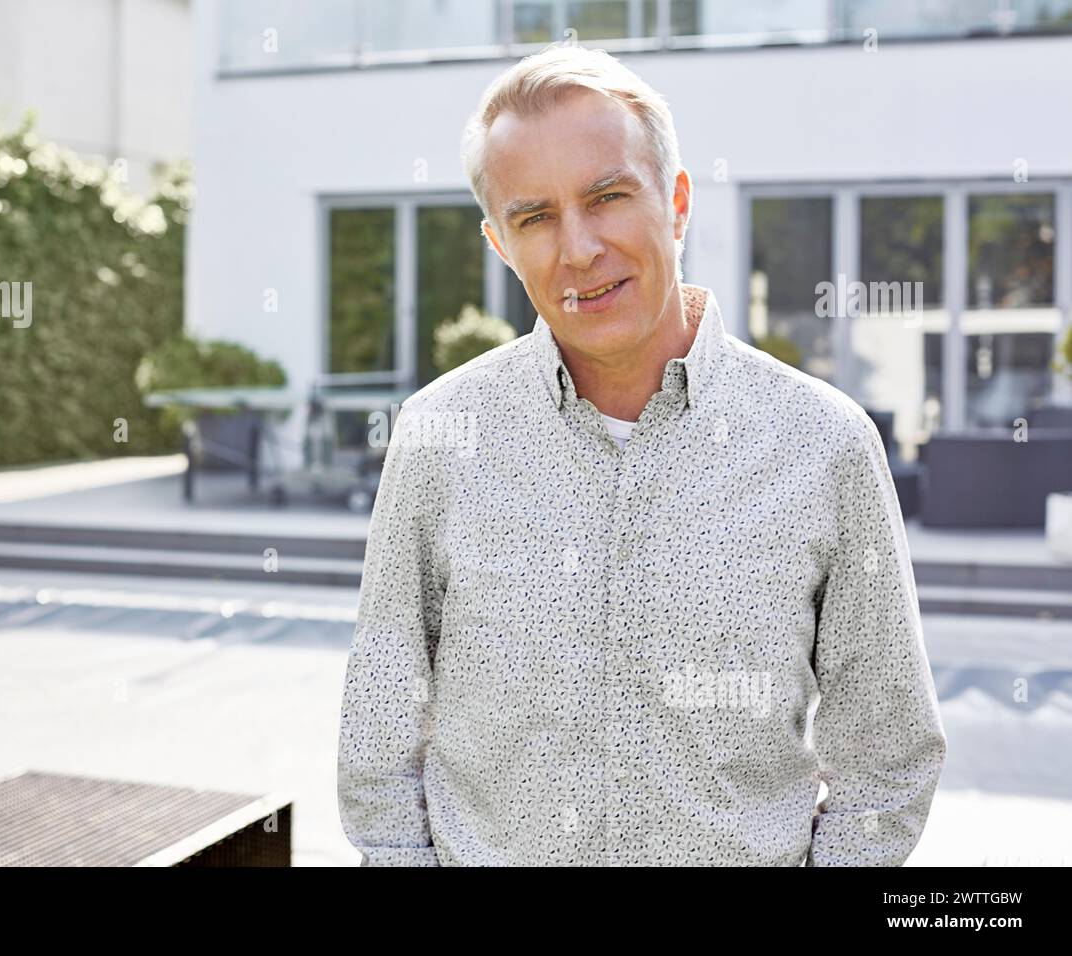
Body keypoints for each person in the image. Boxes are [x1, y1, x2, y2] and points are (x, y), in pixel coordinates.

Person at [336, 43, 947, 866]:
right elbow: (379, 741)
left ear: (678, 201)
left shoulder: (825, 444)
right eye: (535, 217)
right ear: (499, 244)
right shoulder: (438, 439)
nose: (580, 248)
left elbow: (887, 755)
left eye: (608, 196)